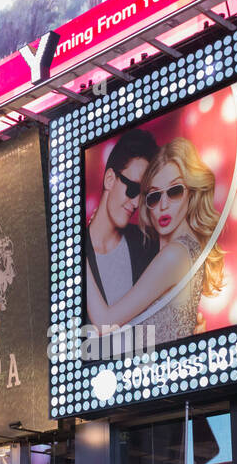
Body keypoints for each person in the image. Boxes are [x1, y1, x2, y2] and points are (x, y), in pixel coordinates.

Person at [85, 138, 226, 345]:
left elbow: (104, 322)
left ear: (192, 192)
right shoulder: (173, 249)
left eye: (175, 191)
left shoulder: (174, 255)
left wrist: (76, 252)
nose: (163, 205)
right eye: (153, 197)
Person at [85, 129, 161, 310]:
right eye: (133, 189)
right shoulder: (73, 252)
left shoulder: (147, 245)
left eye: (143, 195)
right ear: (110, 179)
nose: (136, 203)